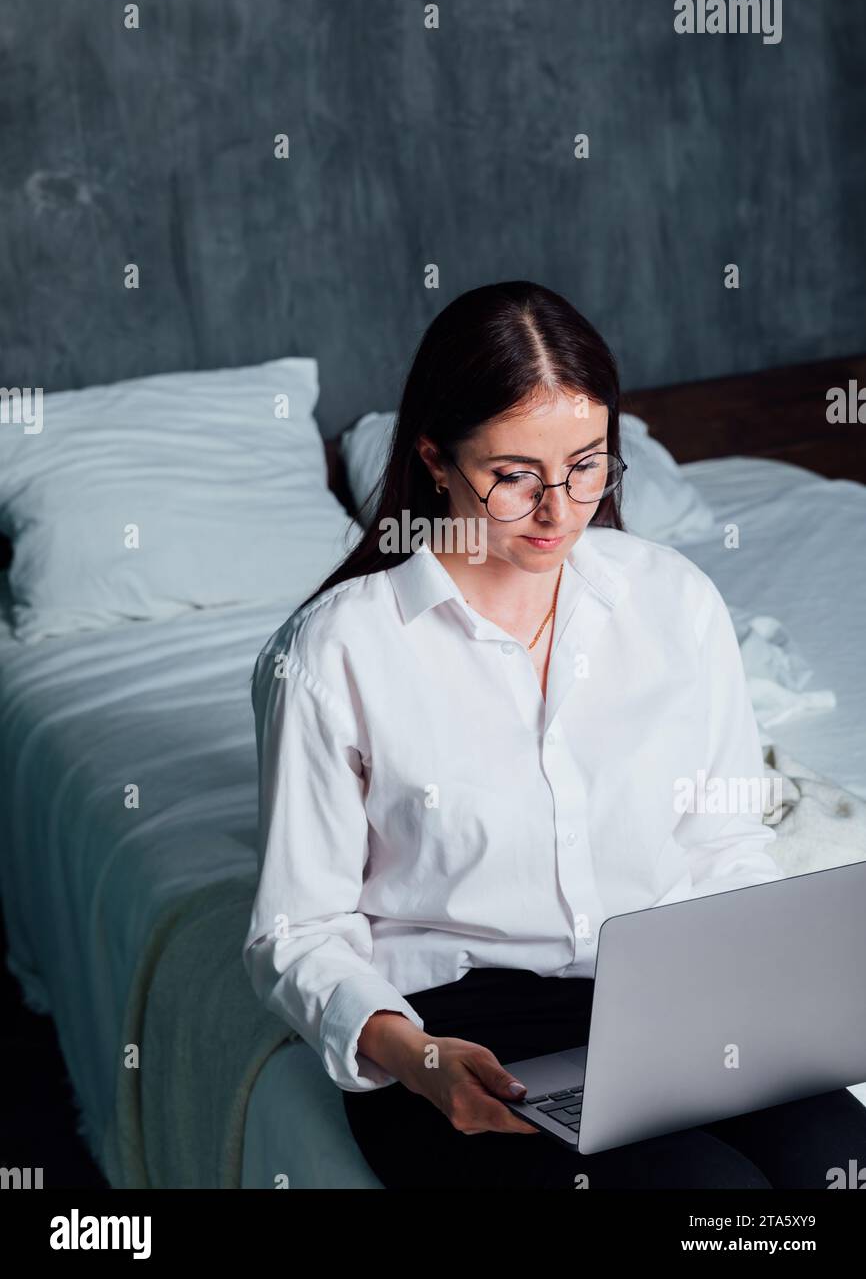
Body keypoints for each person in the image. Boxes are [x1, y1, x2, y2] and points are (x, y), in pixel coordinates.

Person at [243, 280, 866, 1189]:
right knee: (712, 1206)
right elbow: (296, 933)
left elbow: (725, 843)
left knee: (841, 1166)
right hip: (461, 1035)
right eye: (514, 476)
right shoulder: (337, 651)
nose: (560, 511)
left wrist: (755, 1003)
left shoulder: (672, 599)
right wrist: (415, 1060)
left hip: (670, 1000)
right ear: (435, 459)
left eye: (587, 464)